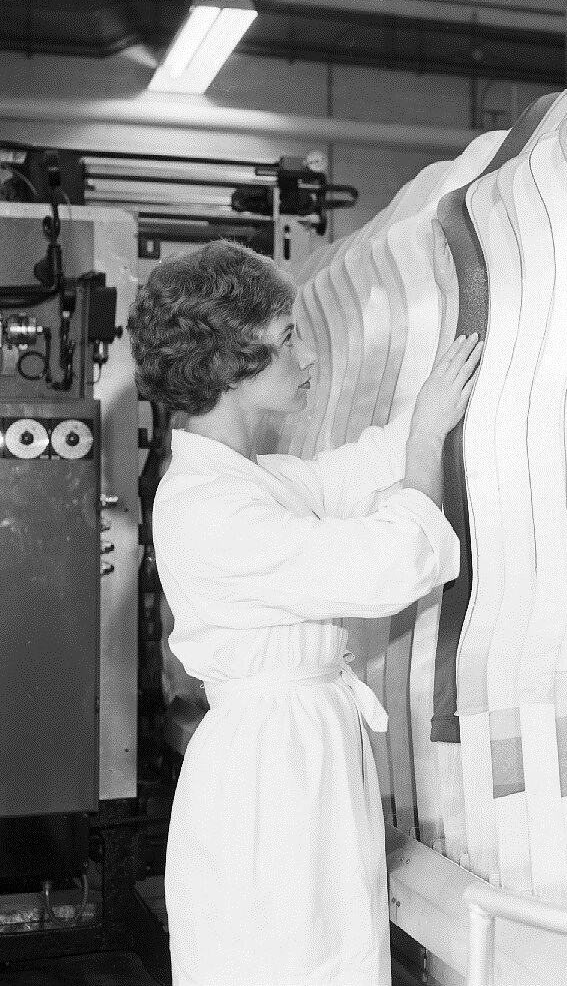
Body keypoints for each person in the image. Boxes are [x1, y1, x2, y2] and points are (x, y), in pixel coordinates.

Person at [127, 240, 481, 986]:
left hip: (297, 760)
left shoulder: (253, 482)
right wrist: (425, 441)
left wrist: (441, 408)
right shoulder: (206, 506)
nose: (309, 359)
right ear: (229, 361)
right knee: (288, 961)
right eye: (287, 339)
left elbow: (350, 475)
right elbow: (387, 566)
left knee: (323, 956)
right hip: (270, 778)